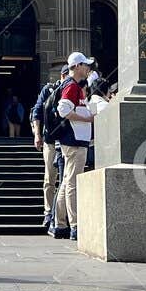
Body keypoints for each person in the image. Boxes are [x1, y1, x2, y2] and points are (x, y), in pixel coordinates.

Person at [54, 52, 96, 242]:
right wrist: (86, 118)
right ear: (77, 66)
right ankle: (75, 226)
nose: (88, 68)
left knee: (66, 181)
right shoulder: (71, 86)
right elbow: (63, 110)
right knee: (72, 183)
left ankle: (60, 224)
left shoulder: (71, 86)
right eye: (86, 65)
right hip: (74, 140)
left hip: (72, 140)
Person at [31, 64, 69, 234]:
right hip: (51, 141)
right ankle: (48, 212)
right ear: (62, 76)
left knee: (67, 180)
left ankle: (62, 214)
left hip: (68, 141)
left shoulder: (75, 89)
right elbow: (37, 113)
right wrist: (37, 135)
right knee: (50, 178)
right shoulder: (48, 91)